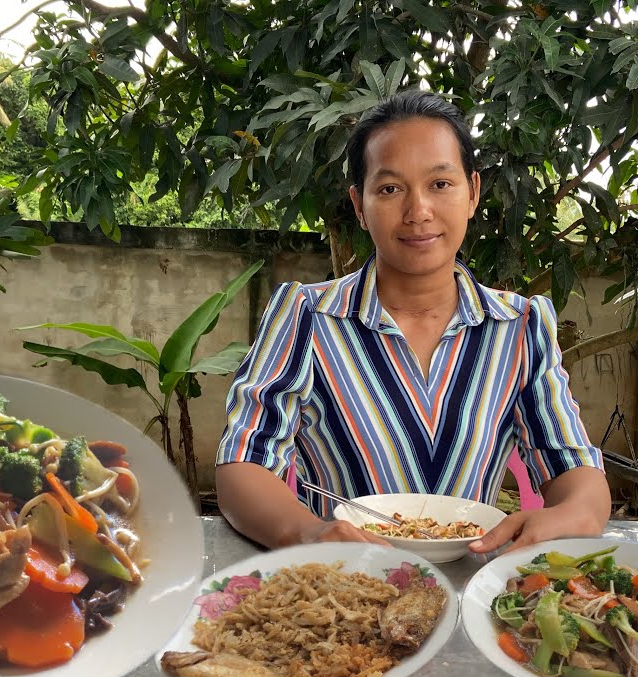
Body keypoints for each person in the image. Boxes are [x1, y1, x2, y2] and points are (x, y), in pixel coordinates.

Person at [214, 89, 609, 554]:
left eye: (440, 184)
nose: (418, 211)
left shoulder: (520, 326)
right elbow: (243, 463)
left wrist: (567, 515)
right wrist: (309, 534)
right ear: (359, 205)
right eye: (389, 189)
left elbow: (573, 470)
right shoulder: (306, 316)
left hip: (472, 590)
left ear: (472, 193)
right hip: (344, 592)